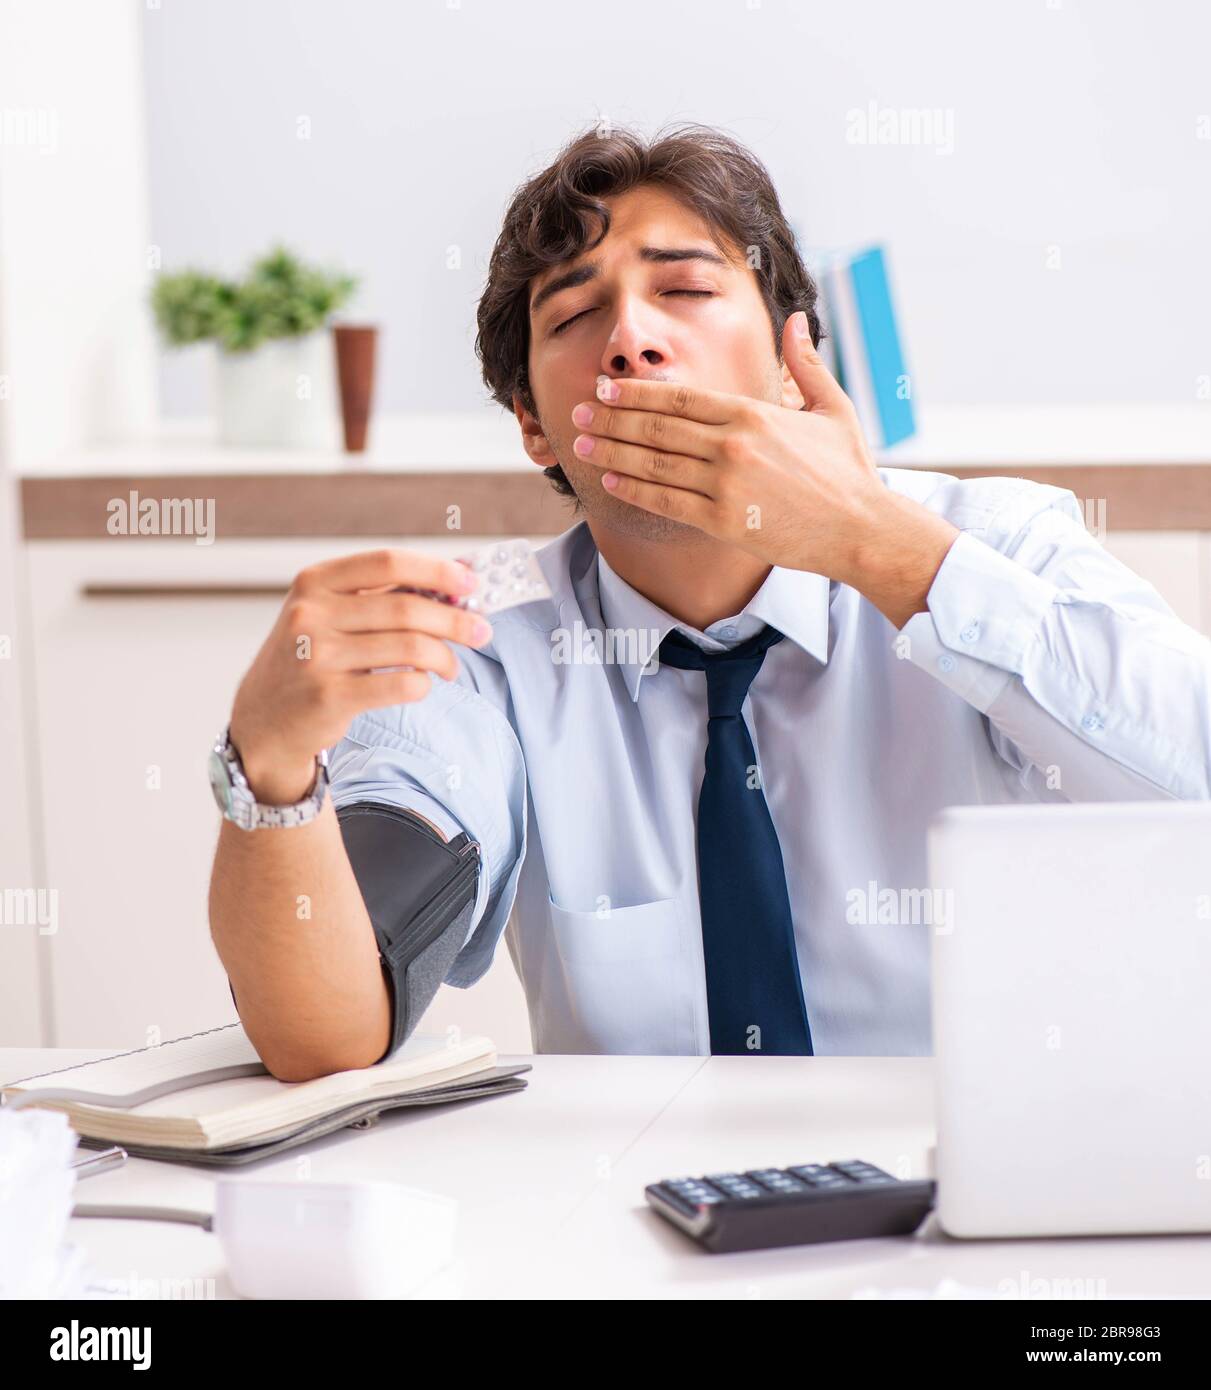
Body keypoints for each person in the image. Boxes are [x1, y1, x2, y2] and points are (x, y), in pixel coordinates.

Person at [208, 123, 1211, 1079]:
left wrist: (873, 542)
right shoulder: (480, 643)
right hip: (639, 1225)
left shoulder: (995, 546)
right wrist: (273, 768)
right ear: (533, 427)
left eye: (683, 289)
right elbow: (329, 1030)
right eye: (572, 315)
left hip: (976, 1200)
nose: (632, 339)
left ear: (789, 362)